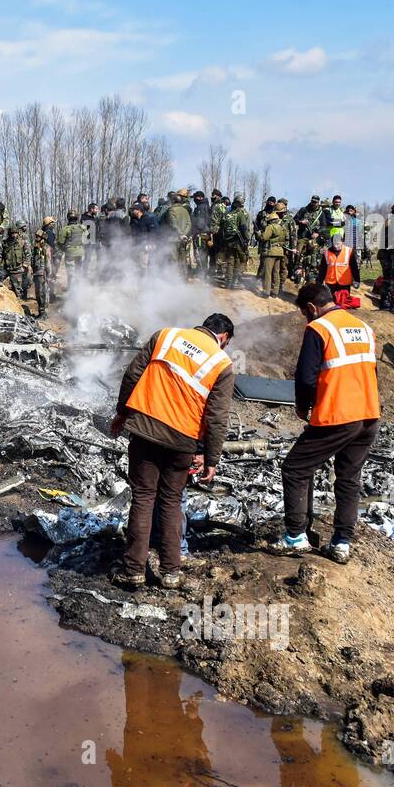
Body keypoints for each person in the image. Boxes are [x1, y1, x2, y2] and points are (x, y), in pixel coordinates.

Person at [109, 313, 236, 588]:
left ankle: (133, 571)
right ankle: (170, 573)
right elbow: (216, 417)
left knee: (143, 497)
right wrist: (210, 458)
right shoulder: (223, 363)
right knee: (170, 502)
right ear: (224, 338)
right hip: (183, 441)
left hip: (145, 430)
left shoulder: (165, 336)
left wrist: (122, 414)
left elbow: (132, 375)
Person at [272, 284, 379, 564]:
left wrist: (303, 407)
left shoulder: (319, 328)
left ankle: (296, 535)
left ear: (311, 308)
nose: (306, 319)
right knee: (348, 478)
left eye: (305, 314)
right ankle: (342, 542)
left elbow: (306, 377)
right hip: (368, 414)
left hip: (338, 415)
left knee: (296, 468)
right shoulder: (364, 328)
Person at [217, 193, 251, 289]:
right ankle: (235, 280)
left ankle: (228, 282)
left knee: (230, 262)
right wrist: (247, 239)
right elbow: (244, 229)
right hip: (238, 242)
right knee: (241, 260)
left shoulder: (227, 214)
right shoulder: (240, 214)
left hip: (228, 242)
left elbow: (221, 227)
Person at [258, 209, 288, 299]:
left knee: (268, 272)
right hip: (280, 252)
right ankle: (275, 291)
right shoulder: (282, 228)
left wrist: (259, 233)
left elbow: (264, 238)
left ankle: (266, 291)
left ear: (271, 220)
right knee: (276, 272)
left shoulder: (270, 227)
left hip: (271, 252)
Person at [321, 232, 358, 302]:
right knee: (330, 303)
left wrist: (357, 280)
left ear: (342, 242)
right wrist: (319, 281)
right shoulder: (326, 253)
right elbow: (322, 269)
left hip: (344, 282)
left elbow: (354, 267)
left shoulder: (349, 251)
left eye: (338, 243)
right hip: (330, 283)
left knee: (343, 303)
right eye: (334, 244)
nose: (336, 246)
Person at [31, 218, 55, 317]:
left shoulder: (46, 248)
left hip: (43, 273)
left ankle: (43, 313)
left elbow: (48, 262)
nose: (36, 238)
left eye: (38, 237)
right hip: (37, 273)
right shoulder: (36, 248)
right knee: (38, 293)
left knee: (41, 293)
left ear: (43, 238)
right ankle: (42, 311)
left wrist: (49, 275)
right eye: (36, 236)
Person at [58, 209, 88, 289]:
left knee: (70, 272)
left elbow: (60, 242)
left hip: (70, 253)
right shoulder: (83, 227)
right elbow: (86, 240)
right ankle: (79, 288)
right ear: (77, 218)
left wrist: (65, 249)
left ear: (68, 218)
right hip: (80, 252)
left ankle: (70, 288)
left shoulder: (65, 229)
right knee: (79, 270)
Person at [3, 218, 31, 302]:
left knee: (24, 282)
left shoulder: (23, 239)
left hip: (20, 266)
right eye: (24, 227)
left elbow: (28, 252)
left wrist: (26, 264)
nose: (14, 235)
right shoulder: (7, 242)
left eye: (15, 233)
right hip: (11, 267)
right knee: (17, 284)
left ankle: (23, 296)